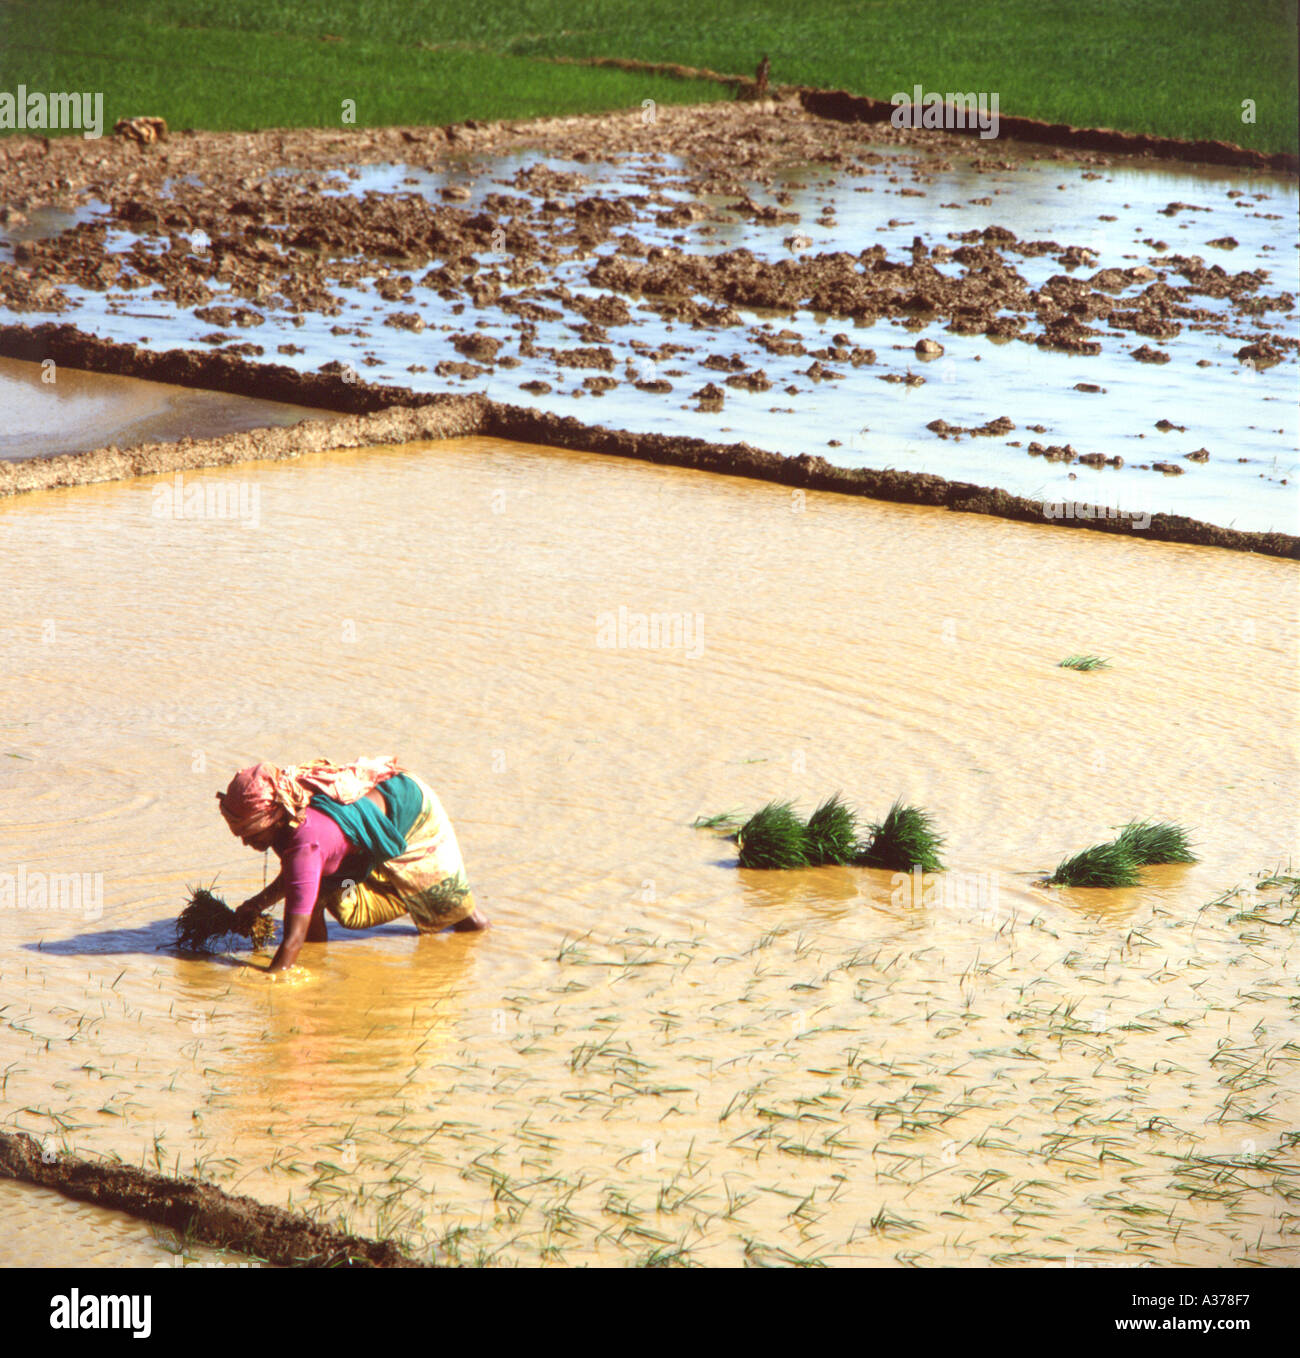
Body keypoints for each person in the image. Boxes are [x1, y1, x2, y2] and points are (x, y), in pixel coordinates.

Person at [217, 755, 488, 974]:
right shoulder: (288, 814)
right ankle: (317, 959)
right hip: (372, 812)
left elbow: (292, 937)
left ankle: (488, 946)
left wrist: (274, 978)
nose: (245, 843)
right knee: (317, 895)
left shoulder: (304, 842)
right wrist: (256, 904)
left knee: (451, 904)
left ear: (274, 819)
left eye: (251, 835)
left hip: (412, 808)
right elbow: (298, 879)